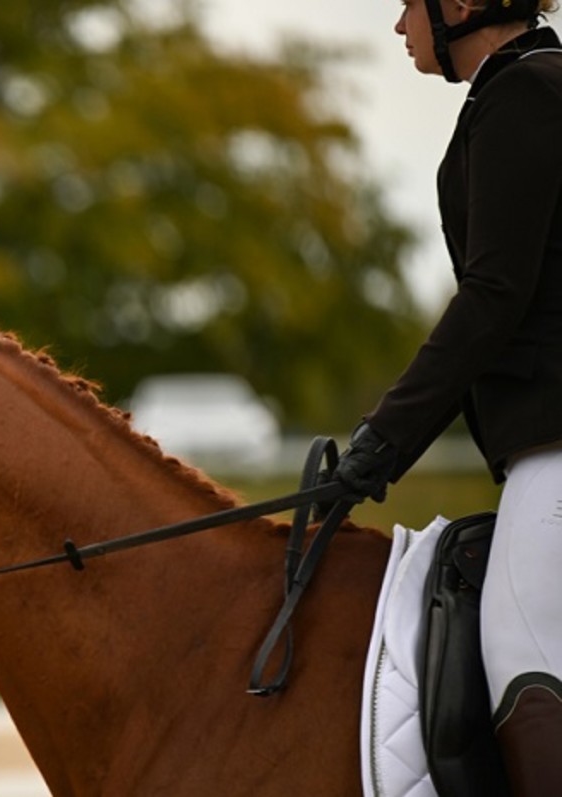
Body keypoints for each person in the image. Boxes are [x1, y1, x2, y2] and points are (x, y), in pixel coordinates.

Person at [330, 0, 562, 793]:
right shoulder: (521, 89)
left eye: (405, 4)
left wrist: (381, 443)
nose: (400, 25)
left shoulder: (526, 94)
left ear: (459, 3)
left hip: (557, 451)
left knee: (524, 664)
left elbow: (494, 294)